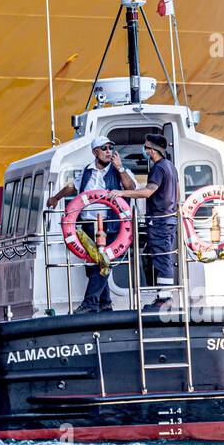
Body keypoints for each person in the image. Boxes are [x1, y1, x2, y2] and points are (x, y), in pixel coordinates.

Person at [45, 135, 136, 313]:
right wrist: (56, 198)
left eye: (111, 148)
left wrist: (120, 167)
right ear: (95, 152)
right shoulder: (87, 171)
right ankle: (105, 303)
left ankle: (90, 303)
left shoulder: (119, 170)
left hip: (110, 224)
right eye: (105, 148)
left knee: (103, 263)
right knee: (91, 266)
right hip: (88, 224)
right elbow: (73, 187)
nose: (109, 151)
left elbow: (130, 188)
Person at [117, 133, 180, 307]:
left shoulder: (158, 168)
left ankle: (165, 299)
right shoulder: (171, 167)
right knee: (162, 257)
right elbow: (177, 192)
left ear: (152, 150)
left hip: (159, 221)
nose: (144, 150)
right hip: (168, 219)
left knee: (161, 258)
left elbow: (147, 192)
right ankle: (162, 296)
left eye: (146, 147)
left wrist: (121, 193)